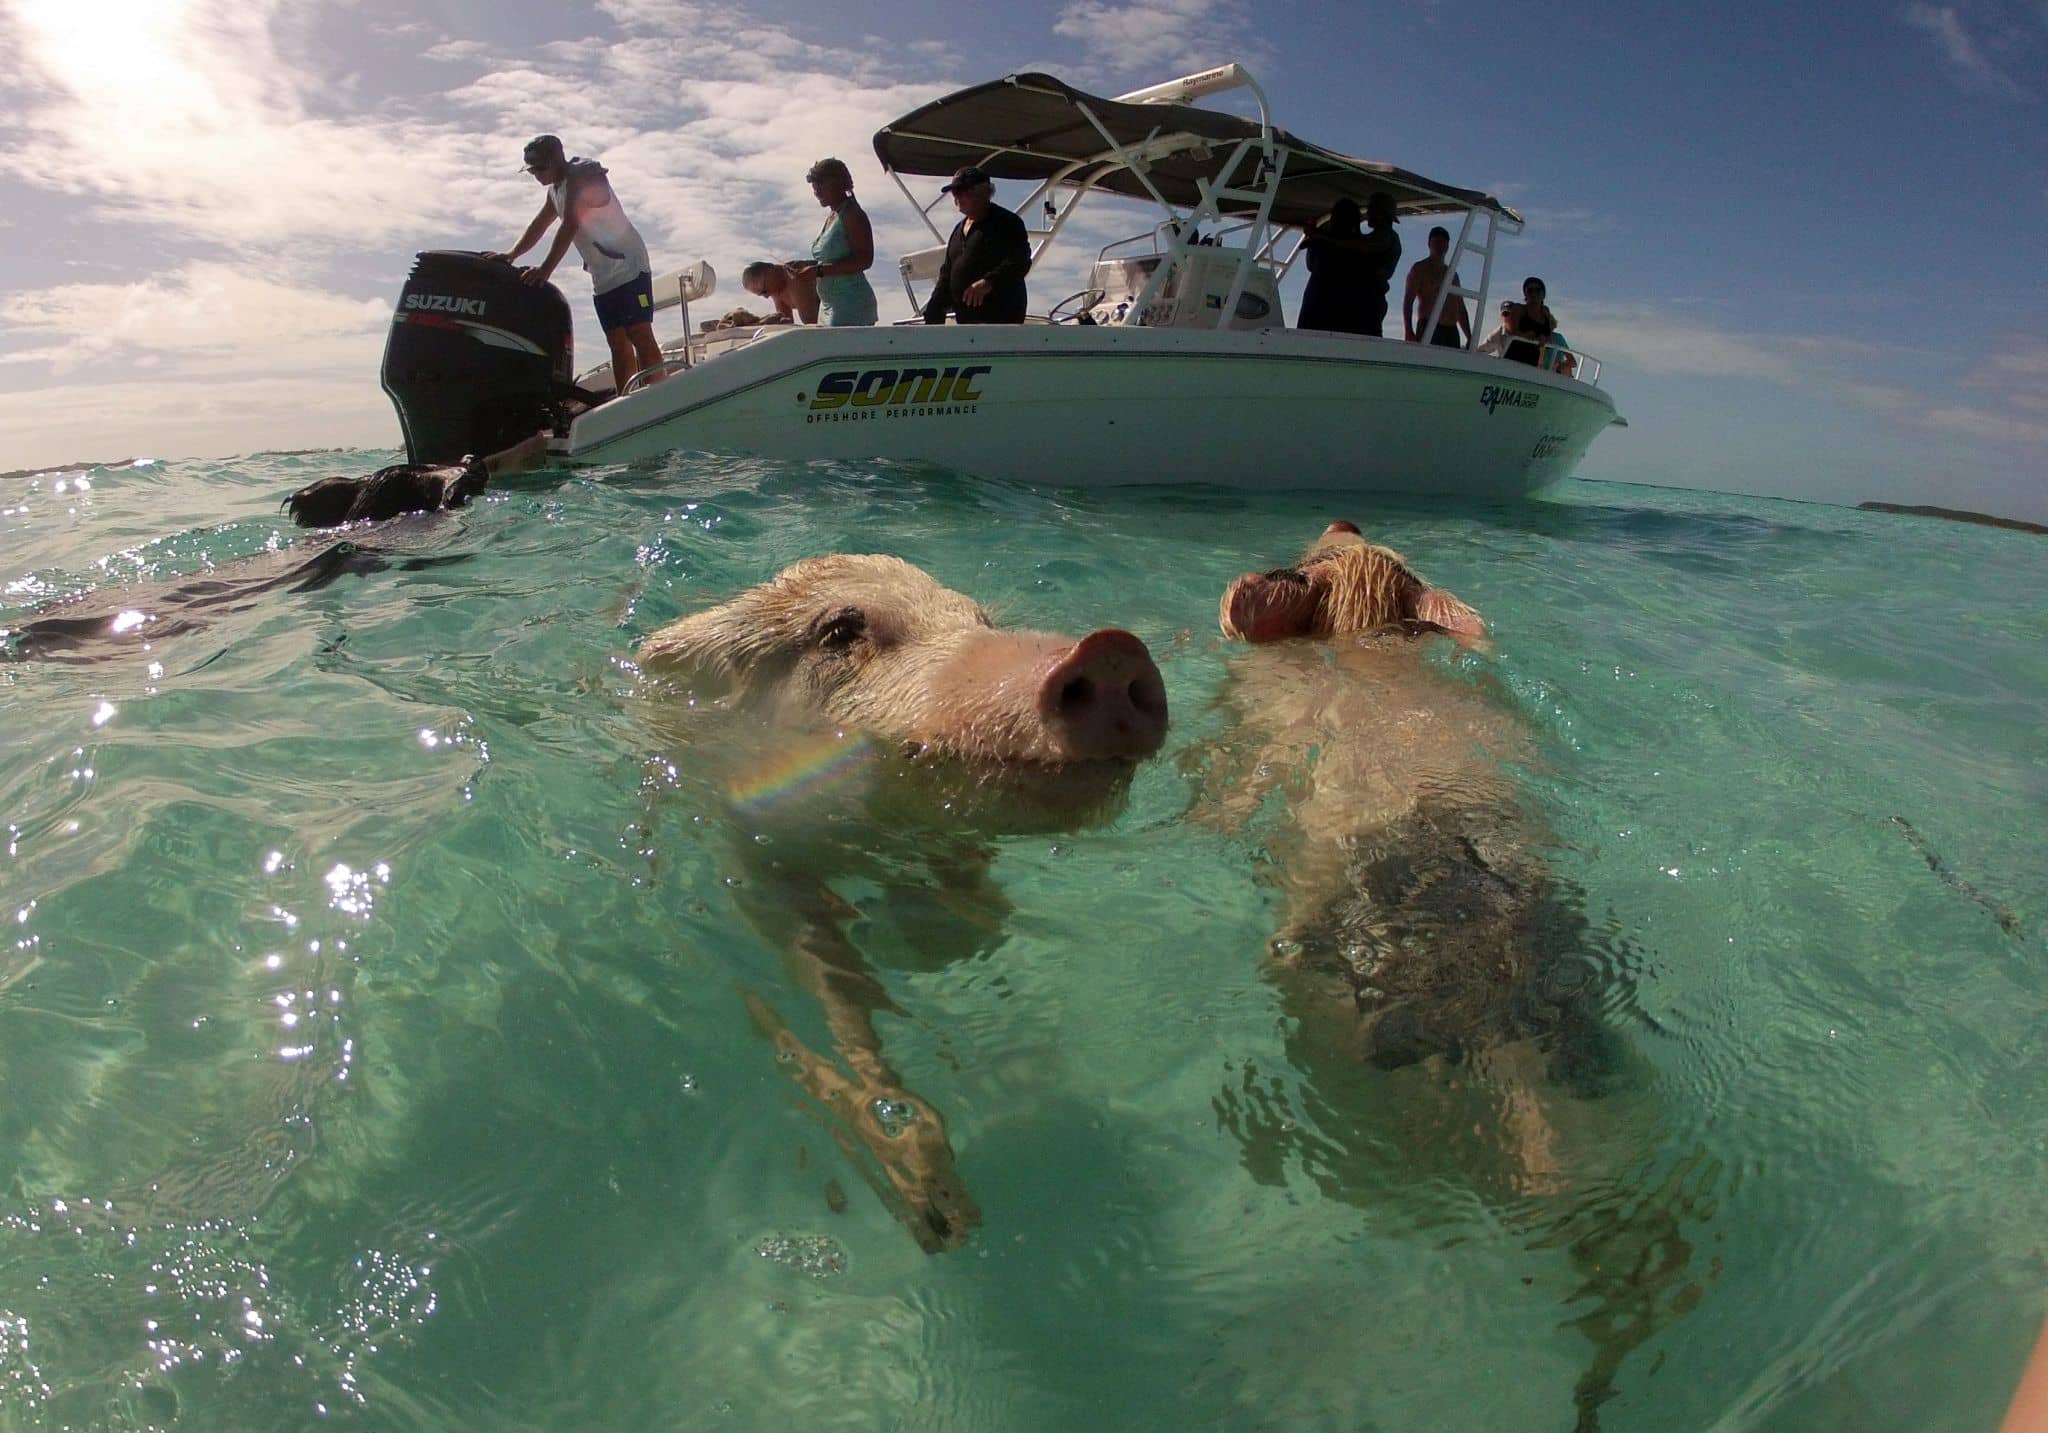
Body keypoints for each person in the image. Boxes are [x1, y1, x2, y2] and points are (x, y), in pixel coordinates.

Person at [485, 135, 662, 393]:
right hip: (602, 275)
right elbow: (540, 224)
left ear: (557, 159)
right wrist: (512, 254)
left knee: (638, 332)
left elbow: (570, 224)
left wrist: (545, 270)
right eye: (532, 171)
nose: (536, 175)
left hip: (629, 266)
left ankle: (658, 394)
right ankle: (628, 401)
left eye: (540, 168)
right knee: (616, 340)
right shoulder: (555, 191)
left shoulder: (582, 174)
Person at [921, 166, 1031, 325]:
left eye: (960, 191)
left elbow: (1020, 261)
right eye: (954, 193)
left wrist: (988, 282)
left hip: (1001, 319)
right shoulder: (957, 230)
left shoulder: (1007, 222)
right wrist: (935, 304)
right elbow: (947, 272)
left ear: (982, 192)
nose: (956, 197)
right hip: (967, 322)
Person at [785, 158, 878, 327]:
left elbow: (865, 259)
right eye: (814, 187)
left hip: (850, 305)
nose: (816, 192)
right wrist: (806, 265)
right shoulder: (833, 215)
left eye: (821, 186)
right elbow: (835, 259)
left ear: (839, 183)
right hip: (829, 305)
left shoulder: (852, 214)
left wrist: (818, 271)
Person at [1296, 191, 1401, 337]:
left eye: (1371, 210)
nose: (1367, 214)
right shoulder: (1356, 243)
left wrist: (1318, 236)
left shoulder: (1383, 239)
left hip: (1344, 314)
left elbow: (1312, 264)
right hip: (1357, 316)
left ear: (1380, 214)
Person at [1402, 225, 1472, 348]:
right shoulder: (1419, 269)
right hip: (1430, 328)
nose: (1440, 245)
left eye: (1443, 241)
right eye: (1436, 241)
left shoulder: (1452, 275)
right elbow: (1408, 301)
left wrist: (1469, 336)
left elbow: (1460, 307)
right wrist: (1408, 330)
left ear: (1448, 245)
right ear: (1429, 244)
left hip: (1451, 331)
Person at [1478, 276, 1558, 366]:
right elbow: (1512, 332)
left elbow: (1549, 336)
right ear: (1525, 293)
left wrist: (1544, 339)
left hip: (1533, 359)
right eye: (1530, 290)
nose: (1534, 294)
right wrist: (1530, 336)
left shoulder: (1545, 311)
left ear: (1543, 294)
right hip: (1514, 357)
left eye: (1538, 290)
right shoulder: (1518, 309)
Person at [741, 261, 820, 324]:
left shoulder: (794, 276)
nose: (766, 296)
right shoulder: (776, 289)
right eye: (760, 294)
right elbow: (785, 323)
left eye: (764, 291)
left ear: (771, 271)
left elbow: (811, 323)